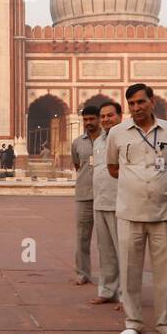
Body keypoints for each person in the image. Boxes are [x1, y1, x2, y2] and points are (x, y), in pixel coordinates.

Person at [106, 83, 167, 334]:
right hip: (130, 210)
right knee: (130, 270)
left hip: (165, 211)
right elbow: (113, 167)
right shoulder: (117, 133)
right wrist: (137, 184)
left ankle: (166, 324)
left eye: (141, 102)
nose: (136, 107)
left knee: (164, 272)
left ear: (152, 102)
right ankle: (132, 322)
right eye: (132, 103)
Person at [89, 100, 123, 307]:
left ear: (120, 116)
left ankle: (126, 295)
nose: (105, 120)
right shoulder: (98, 142)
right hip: (100, 200)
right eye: (103, 116)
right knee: (105, 251)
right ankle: (107, 290)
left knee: (124, 253)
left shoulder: (126, 139)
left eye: (110, 115)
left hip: (120, 202)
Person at [71, 103, 102, 285]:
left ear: (98, 119)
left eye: (91, 119)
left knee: (106, 239)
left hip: (105, 194)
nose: (88, 122)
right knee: (82, 236)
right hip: (84, 194)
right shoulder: (77, 142)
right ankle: (83, 273)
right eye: (86, 119)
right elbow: (77, 165)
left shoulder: (108, 139)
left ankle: (109, 277)